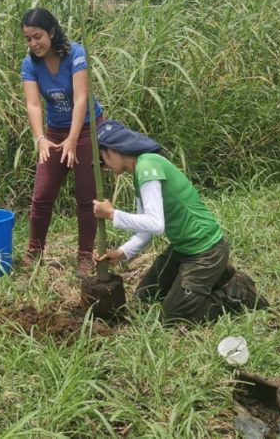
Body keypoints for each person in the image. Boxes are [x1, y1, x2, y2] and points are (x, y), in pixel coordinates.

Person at [90, 120, 268, 325]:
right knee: (145, 297)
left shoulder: (147, 167)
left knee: (174, 316)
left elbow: (155, 224)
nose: (104, 168)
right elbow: (145, 230)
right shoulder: (142, 169)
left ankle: (237, 292)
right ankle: (219, 275)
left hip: (205, 251)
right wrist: (122, 253)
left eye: (102, 160)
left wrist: (113, 214)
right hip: (184, 249)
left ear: (111, 150)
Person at [19, 8, 105, 276]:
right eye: (28, 39)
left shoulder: (76, 54)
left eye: (38, 37)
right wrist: (41, 139)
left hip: (88, 129)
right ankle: (34, 253)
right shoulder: (30, 64)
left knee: (86, 197)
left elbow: (81, 98)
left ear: (52, 32)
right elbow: (33, 104)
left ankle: (84, 255)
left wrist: (73, 138)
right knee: (42, 195)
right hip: (55, 133)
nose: (34, 44)